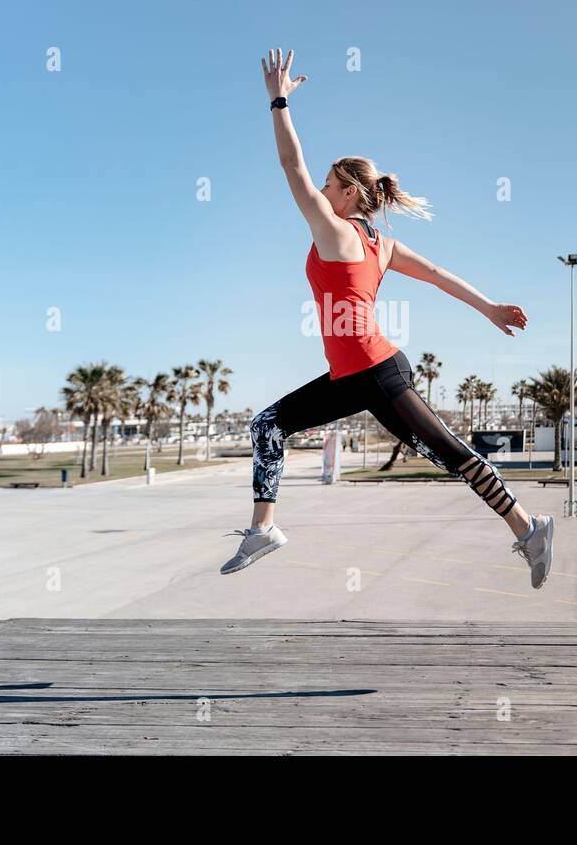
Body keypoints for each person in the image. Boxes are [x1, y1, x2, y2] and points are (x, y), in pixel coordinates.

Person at [222, 48, 555, 589]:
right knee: (268, 426)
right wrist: (489, 307)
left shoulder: (337, 232)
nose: (321, 192)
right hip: (351, 376)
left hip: (376, 372)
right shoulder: (381, 244)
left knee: (453, 456)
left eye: (329, 185)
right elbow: (438, 275)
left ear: (349, 193)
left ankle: (529, 528)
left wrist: (279, 103)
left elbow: (291, 166)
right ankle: (263, 529)